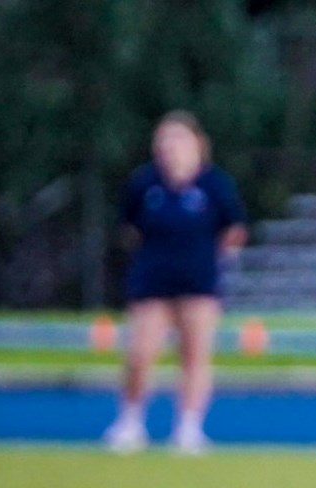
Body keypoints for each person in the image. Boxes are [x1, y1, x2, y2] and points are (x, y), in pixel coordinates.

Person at [103, 112, 247, 455]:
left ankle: (188, 426)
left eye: (179, 138)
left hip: (198, 283)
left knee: (195, 356)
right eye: (164, 139)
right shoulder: (145, 183)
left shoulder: (214, 185)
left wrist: (210, 256)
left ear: (197, 143)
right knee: (140, 353)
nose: (171, 147)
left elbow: (235, 227)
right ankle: (131, 421)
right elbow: (128, 228)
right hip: (152, 281)